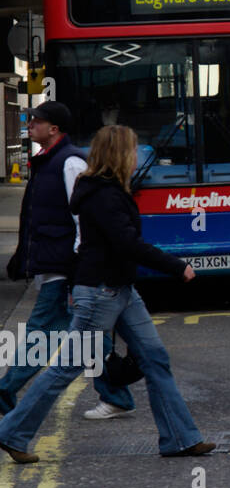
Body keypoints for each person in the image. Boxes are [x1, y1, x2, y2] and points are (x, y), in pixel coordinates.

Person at [0, 126, 213, 464]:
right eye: (132, 151)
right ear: (118, 155)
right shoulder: (103, 195)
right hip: (101, 291)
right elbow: (126, 243)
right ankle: (11, 433)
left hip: (119, 289)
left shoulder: (107, 190)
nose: (136, 158)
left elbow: (90, 245)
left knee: (155, 358)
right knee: (65, 369)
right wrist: (176, 266)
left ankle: (180, 438)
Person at [1, 102, 135, 420]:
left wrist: (78, 274)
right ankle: (116, 395)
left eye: (37, 121)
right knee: (90, 335)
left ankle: (4, 392)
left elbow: (82, 222)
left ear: (55, 129)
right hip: (55, 265)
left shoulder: (70, 163)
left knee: (41, 334)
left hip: (65, 269)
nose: (30, 124)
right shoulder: (46, 161)